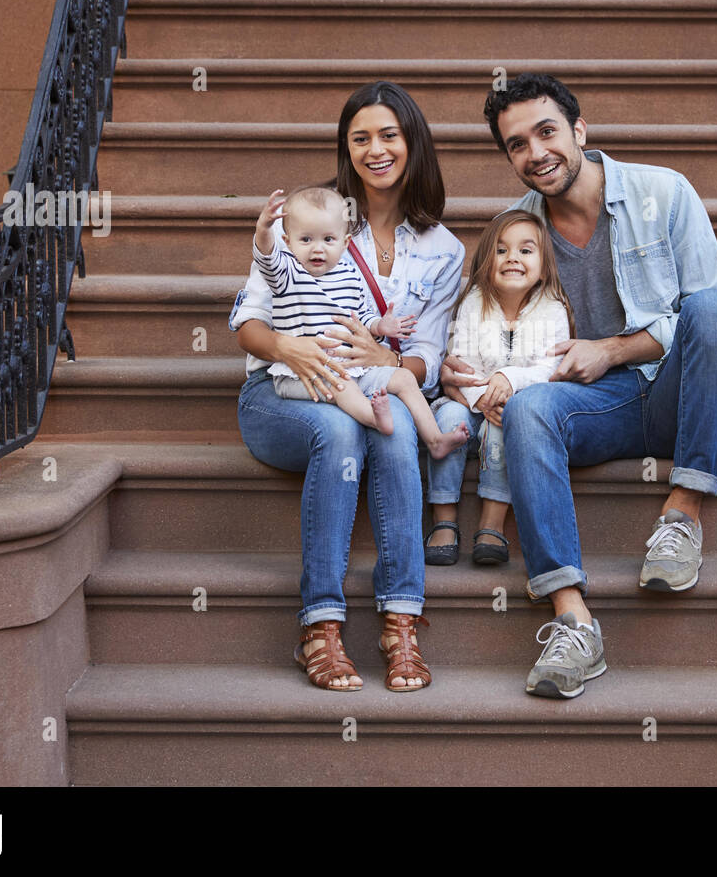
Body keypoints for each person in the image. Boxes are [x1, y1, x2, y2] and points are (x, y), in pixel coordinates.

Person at [442, 73, 717, 699]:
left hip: (671, 392)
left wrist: (611, 348)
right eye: (517, 144)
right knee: (528, 408)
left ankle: (683, 513)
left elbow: (702, 313)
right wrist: (455, 368)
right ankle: (572, 621)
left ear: (579, 131)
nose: (536, 153)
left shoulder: (665, 191)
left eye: (547, 132)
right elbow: (481, 320)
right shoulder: (514, 232)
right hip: (592, 407)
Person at [231, 81, 465, 693]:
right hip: (280, 393)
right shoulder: (311, 218)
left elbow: (427, 359)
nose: (376, 149)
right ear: (346, 148)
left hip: (367, 383)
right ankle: (321, 625)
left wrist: (380, 355)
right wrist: (289, 346)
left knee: (391, 431)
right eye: (360, 137)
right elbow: (248, 323)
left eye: (389, 135)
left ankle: (400, 623)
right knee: (342, 425)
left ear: (413, 143)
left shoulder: (444, 250)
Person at [251, 183, 469, 458]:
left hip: (351, 368)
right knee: (342, 387)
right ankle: (372, 418)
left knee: (402, 378)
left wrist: (380, 326)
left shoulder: (349, 275)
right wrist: (263, 231)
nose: (317, 249)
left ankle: (436, 439)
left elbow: (362, 316)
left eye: (328, 240)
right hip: (303, 373)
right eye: (305, 240)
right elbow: (267, 260)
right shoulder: (288, 273)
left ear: (345, 243)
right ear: (288, 241)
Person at [424, 209, 575, 566]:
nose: (513, 259)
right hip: (470, 400)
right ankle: (443, 518)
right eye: (502, 250)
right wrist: (482, 399)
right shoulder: (474, 303)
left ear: (543, 264)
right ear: (486, 260)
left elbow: (552, 368)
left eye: (526, 250)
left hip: (516, 408)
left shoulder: (553, 308)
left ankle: (492, 522)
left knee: (506, 425)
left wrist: (509, 380)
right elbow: (461, 364)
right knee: (448, 416)